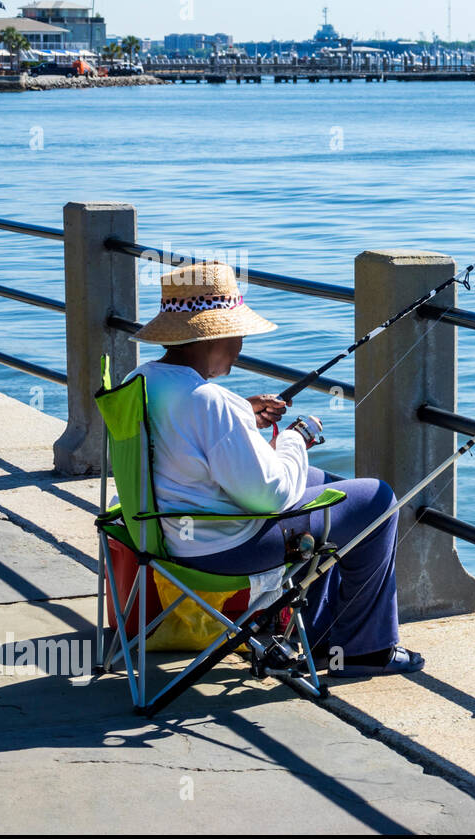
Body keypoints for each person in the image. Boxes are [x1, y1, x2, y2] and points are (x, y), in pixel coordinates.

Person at [127, 260, 422, 677]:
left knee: (324, 485)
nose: (241, 345)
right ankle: (361, 650)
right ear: (220, 334)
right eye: (239, 334)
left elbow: (183, 438)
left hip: (164, 534)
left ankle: (320, 633)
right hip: (225, 547)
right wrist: (297, 437)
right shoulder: (211, 401)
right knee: (376, 501)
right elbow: (273, 496)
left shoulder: (143, 380)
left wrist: (242, 415)